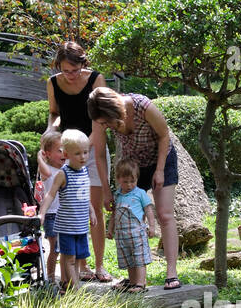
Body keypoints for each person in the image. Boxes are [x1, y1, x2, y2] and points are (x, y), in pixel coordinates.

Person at [87, 86, 181, 289]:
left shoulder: (142, 105)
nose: (104, 126)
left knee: (164, 214)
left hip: (162, 158)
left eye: (106, 121)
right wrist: (106, 191)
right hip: (133, 165)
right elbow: (100, 155)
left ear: (113, 110)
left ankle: (171, 273)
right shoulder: (99, 118)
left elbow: (164, 135)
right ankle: (134, 277)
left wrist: (160, 170)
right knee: (124, 215)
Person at [47, 40, 112, 282]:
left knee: (94, 208)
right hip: (67, 153)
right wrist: (50, 132)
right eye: (66, 70)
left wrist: (81, 153)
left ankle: (100, 265)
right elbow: (55, 113)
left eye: (75, 70)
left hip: (92, 151)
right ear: (58, 67)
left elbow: (100, 123)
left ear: (83, 64)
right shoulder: (53, 83)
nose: (71, 75)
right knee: (73, 209)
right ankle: (80, 266)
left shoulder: (96, 80)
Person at [38, 130, 97, 290]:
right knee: (69, 258)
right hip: (66, 226)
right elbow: (50, 195)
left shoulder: (84, 171)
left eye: (85, 152)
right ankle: (76, 290)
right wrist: (42, 212)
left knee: (78, 258)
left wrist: (91, 210)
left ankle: (70, 286)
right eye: (77, 153)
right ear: (66, 154)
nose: (83, 157)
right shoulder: (63, 174)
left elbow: (84, 195)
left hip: (81, 226)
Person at [108, 158, 156, 291]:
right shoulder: (117, 195)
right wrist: (110, 229)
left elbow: (148, 210)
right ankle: (133, 282)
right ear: (118, 179)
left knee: (139, 258)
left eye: (132, 181)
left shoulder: (140, 193)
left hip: (137, 233)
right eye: (125, 182)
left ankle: (141, 284)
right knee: (129, 259)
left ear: (137, 179)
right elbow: (114, 214)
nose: (129, 185)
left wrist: (152, 226)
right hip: (122, 235)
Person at [37, 131, 65, 282]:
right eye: (59, 150)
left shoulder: (65, 167)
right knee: (55, 249)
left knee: (64, 249)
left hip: (65, 214)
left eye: (64, 149)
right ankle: (51, 277)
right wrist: (39, 157)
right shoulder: (47, 170)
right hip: (52, 215)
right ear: (47, 154)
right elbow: (46, 171)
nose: (63, 153)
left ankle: (65, 277)